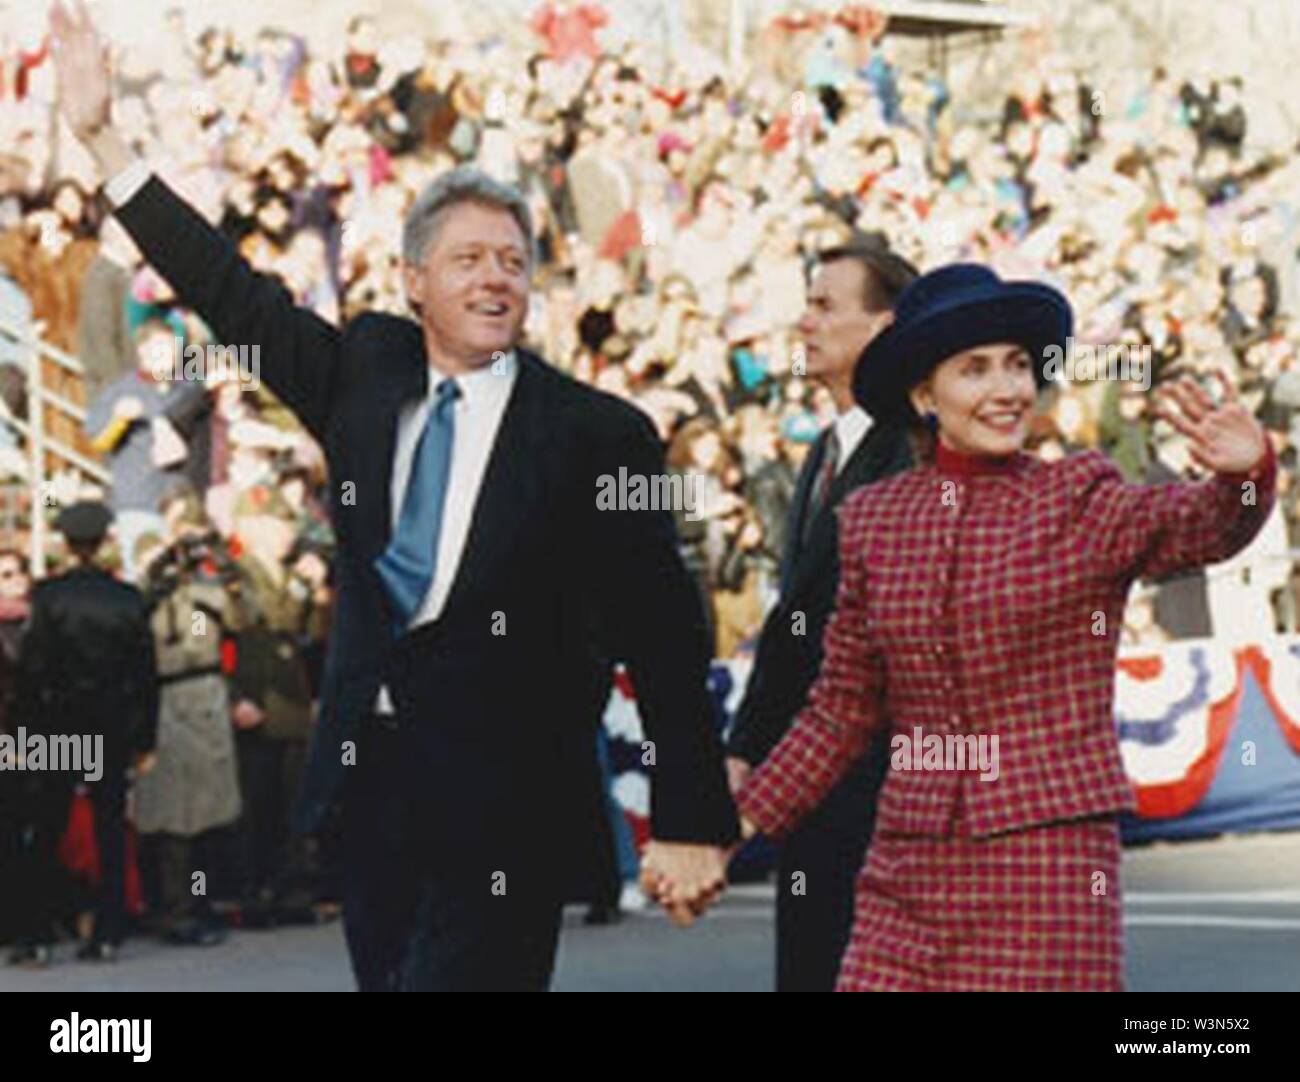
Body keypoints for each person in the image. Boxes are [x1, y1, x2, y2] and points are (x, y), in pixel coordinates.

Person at [51, 0, 735, 991]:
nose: (496, 279)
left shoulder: (601, 433)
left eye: (512, 263)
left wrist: (688, 814)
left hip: (510, 812)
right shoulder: (361, 379)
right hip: (375, 804)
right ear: (413, 281)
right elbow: (232, 293)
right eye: (468, 259)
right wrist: (102, 137)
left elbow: (665, 632)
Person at [732, 263, 1277, 990]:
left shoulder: (1081, 496)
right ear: (925, 395)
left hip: (1048, 867)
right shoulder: (873, 520)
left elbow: (1201, 525)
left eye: (1018, 366)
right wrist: (731, 825)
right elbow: (841, 710)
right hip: (908, 866)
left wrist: (1245, 476)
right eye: (976, 369)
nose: (1007, 389)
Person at [724, 239, 916, 992]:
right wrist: (747, 744)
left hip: (878, 790)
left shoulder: (909, 455)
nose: (802, 322)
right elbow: (793, 624)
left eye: (824, 305)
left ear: (884, 328)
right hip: (817, 787)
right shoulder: (823, 455)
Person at [10, 501, 159, 963]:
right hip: (110, 726)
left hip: (58, 727)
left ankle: (36, 936)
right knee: (111, 831)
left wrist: (23, 734)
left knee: (47, 828)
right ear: (105, 539)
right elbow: (144, 676)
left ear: (66, 542)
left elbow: (32, 672)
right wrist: (144, 739)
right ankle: (108, 932)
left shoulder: (48, 597)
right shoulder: (129, 598)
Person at [133, 491, 244, 948]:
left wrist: (221, 567)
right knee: (175, 818)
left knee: (206, 816)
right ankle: (174, 908)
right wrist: (160, 579)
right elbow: (151, 635)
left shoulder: (206, 594)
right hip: (170, 704)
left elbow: (234, 622)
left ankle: (196, 902)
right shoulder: (150, 586)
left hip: (205, 700)